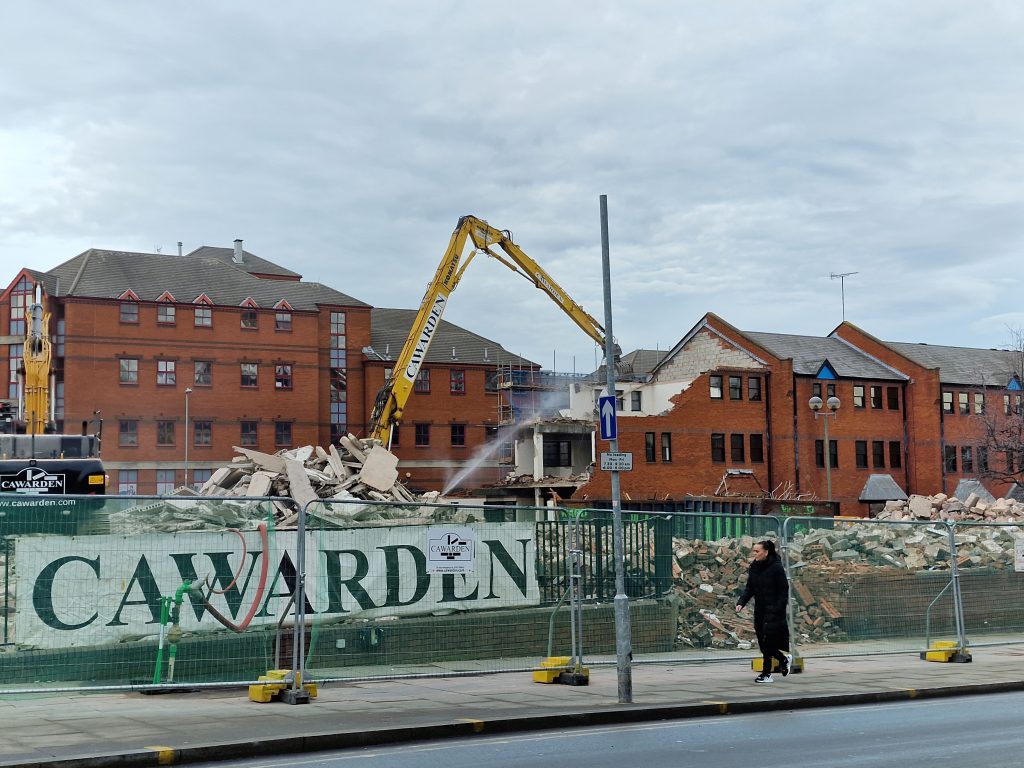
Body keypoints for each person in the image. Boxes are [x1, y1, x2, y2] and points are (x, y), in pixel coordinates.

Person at [735, 539, 792, 683]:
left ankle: (766, 674)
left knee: (768, 640)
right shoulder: (754, 567)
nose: (754, 554)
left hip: (773, 610)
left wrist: (778, 607)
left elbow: (784, 589)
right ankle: (783, 659)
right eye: (753, 551)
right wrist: (741, 602)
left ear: (766, 552)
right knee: (762, 641)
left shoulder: (776, 567)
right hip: (760, 609)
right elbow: (750, 588)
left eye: (757, 551)